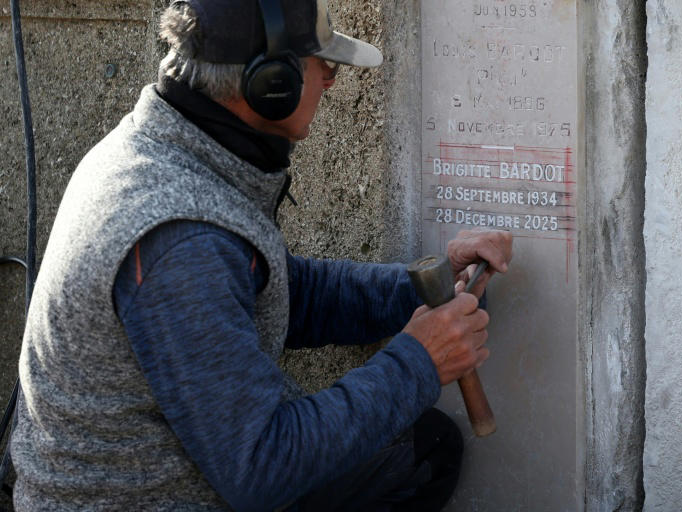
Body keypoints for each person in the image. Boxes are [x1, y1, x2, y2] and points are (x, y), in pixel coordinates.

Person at [10, 0, 513, 510]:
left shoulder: (165, 152)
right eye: (326, 66)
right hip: (142, 498)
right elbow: (261, 468)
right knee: (424, 453)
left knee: (413, 442)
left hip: (170, 472)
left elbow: (281, 292)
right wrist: (419, 363)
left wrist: (419, 289)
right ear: (273, 83)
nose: (332, 83)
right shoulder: (181, 239)